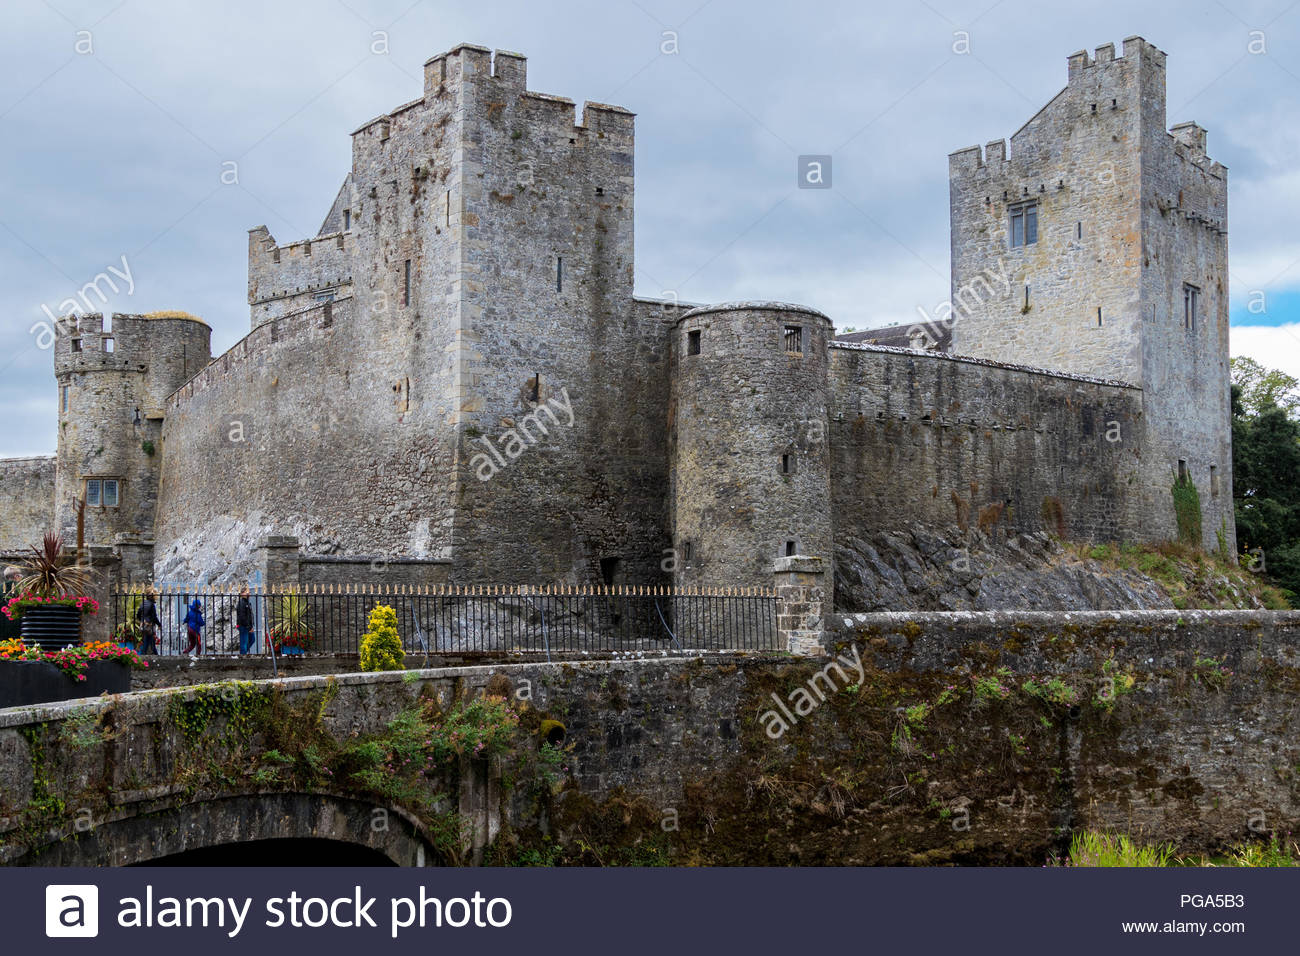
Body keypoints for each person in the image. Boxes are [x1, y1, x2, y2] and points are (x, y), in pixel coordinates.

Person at [136, 590, 161, 655]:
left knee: (148, 642)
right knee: (148, 643)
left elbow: (138, 614)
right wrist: (159, 624)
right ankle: (145, 656)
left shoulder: (142, 603)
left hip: (143, 625)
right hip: (149, 626)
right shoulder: (152, 605)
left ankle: (155, 655)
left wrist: (142, 621)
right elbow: (154, 617)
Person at [236, 587, 255, 655]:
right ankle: (242, 656)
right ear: (242, 593)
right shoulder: (242, 602)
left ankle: (243, 653)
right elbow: (242, 617)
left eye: (249, 592)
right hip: (243, 626)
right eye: (247, 592)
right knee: (244, 642)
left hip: (248, 626)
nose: (249, 593)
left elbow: (249, 615)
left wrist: (251, 626)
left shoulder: (247, 602)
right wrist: (249, 627)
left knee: (252, 639)